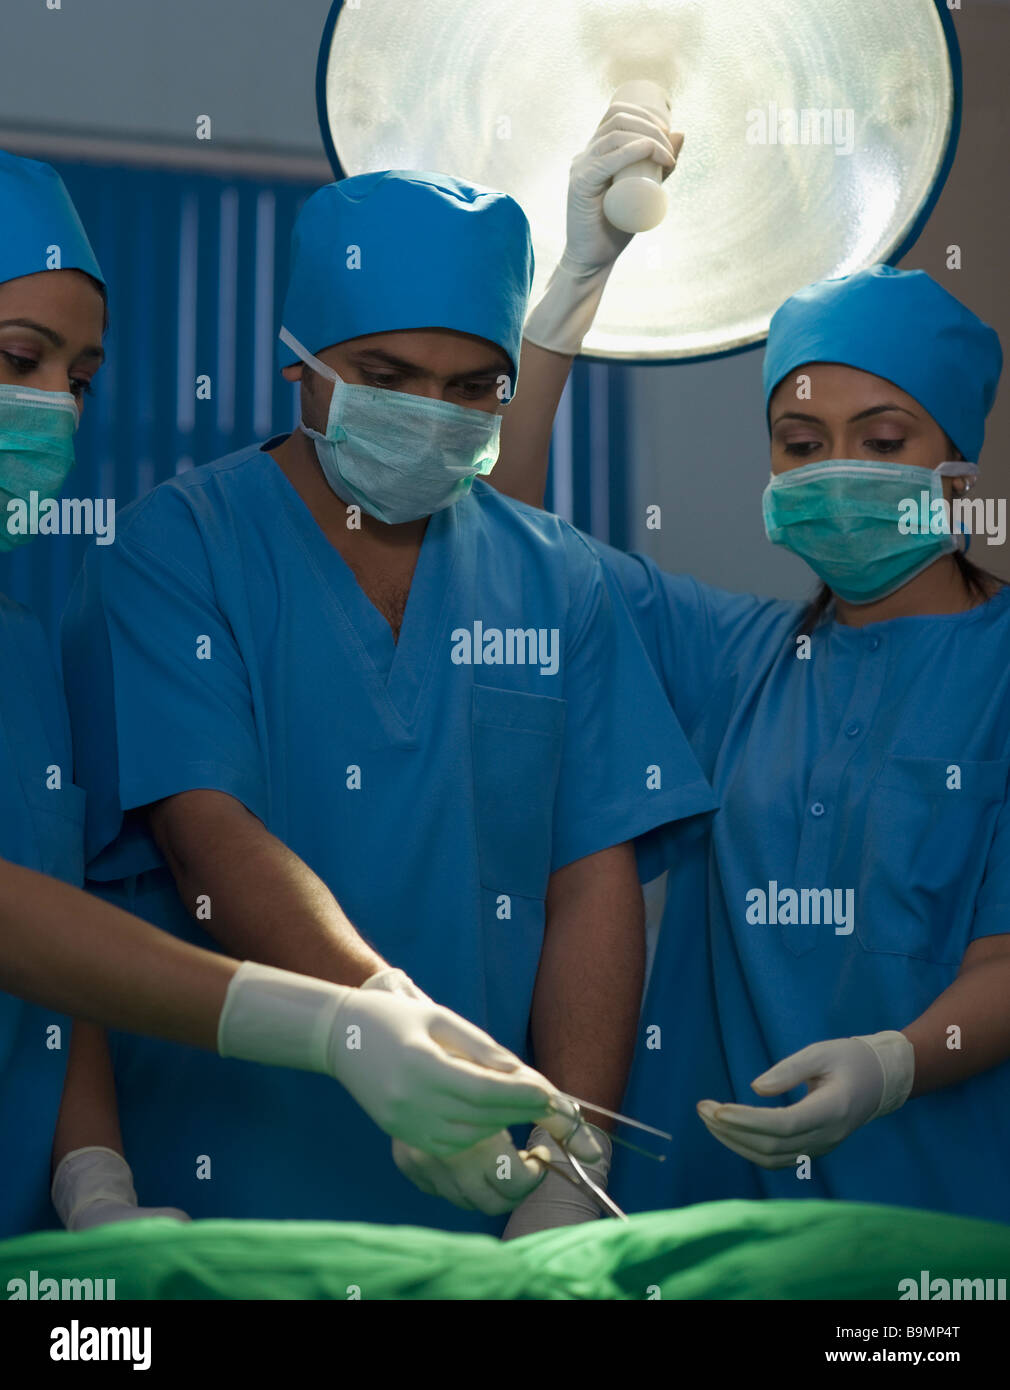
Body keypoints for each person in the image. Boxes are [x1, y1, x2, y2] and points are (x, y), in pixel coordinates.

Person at [60, 163, 715, 1234]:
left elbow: (589, 878)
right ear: (301, 359)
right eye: (387, 372)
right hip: (231, 1175)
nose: (430, 414)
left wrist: (572, 1150)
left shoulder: (557, 579)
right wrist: (377, 1020)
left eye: (471, 388)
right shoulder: (181, 549)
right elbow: (203, 836)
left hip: (484, 1191)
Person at [495, 158, 1010, 1222]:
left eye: (880, 441)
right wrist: (565, 300)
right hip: (702, 1212)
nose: (833, 471)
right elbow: (507, 540)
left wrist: (891, 1065)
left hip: (933, 1221)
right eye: (798, 444)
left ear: (955, 459)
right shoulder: (731, 656)